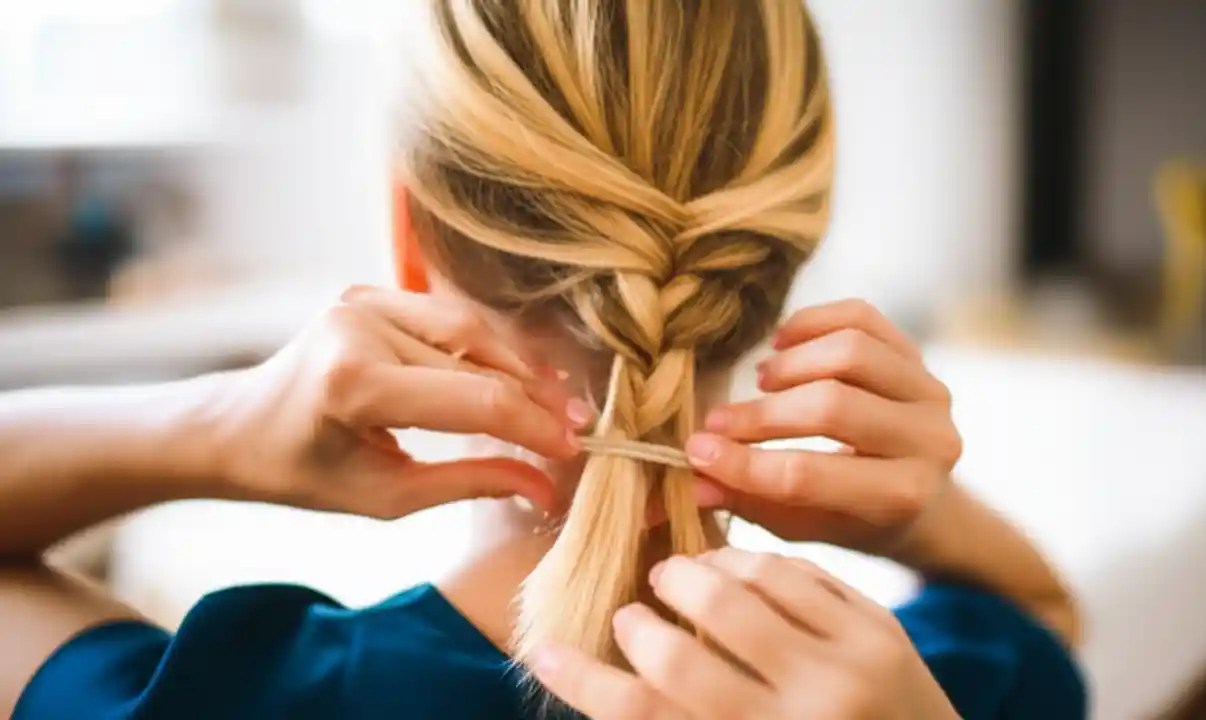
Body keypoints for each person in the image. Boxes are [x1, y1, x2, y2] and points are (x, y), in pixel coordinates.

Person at [1, 1, 1085, 718]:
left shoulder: (248, 701)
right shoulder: (905, 693)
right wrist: (918, 519)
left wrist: (214, 427)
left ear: (409, 235)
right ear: (777, 252)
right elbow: (1048, 621)